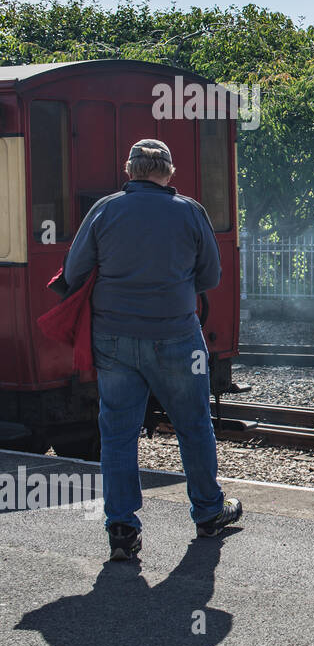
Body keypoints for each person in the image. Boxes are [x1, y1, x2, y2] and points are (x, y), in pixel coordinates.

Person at [63, 139, 242, 561]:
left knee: (118, 435)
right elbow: (210, 276)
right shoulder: (190, 211)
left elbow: (74, 272)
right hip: (178, 337)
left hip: (114, 339)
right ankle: (208, 513)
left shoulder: (105, 209)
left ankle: (122, 530)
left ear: (130, 170)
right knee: (193, 425)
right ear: (169, 172)